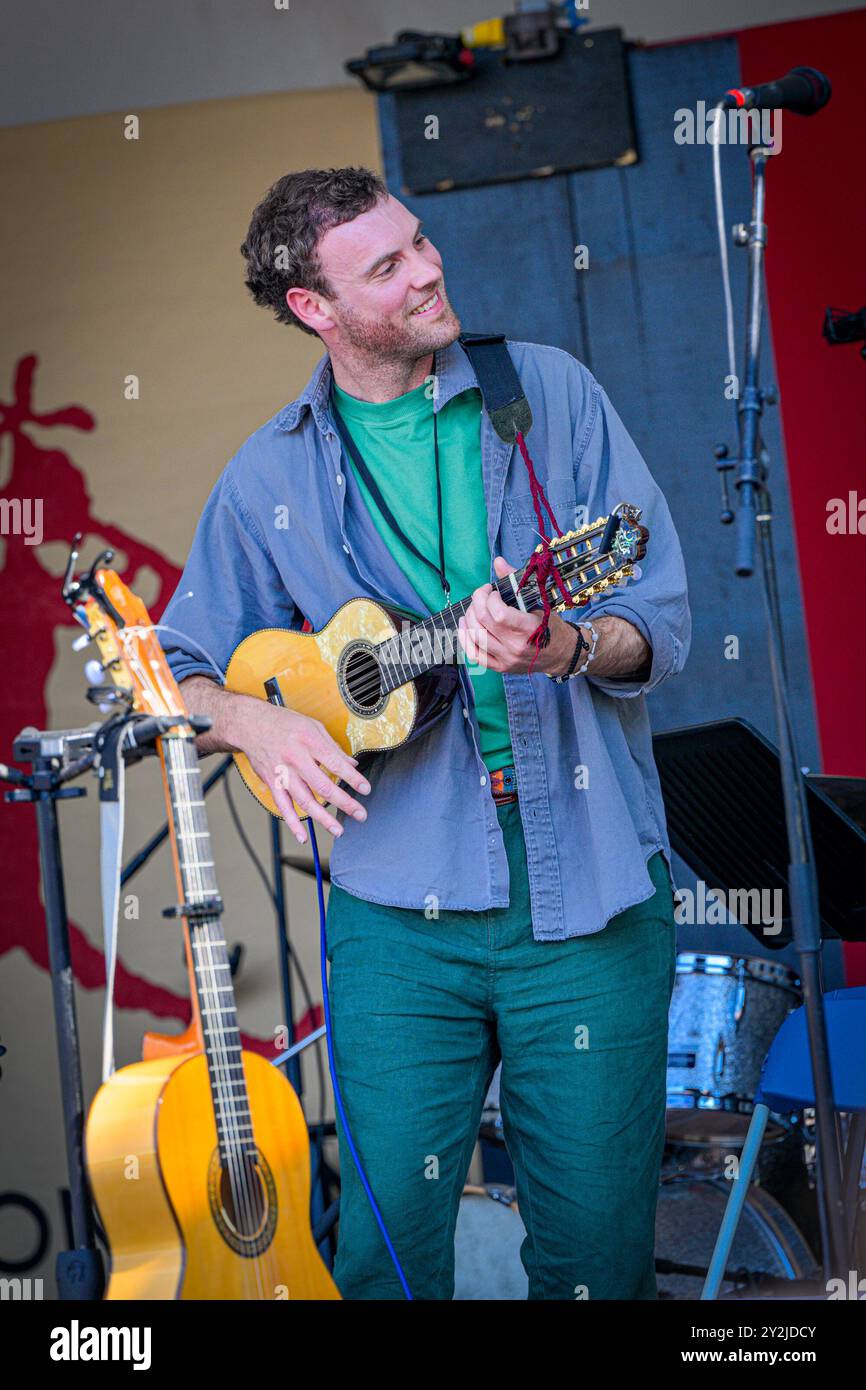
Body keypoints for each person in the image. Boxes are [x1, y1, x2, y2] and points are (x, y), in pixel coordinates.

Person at [162, 166, 691, 1300]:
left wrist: (567, 646)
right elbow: (176, 668)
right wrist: (250, 717)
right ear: (314, 308)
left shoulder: (541, 391)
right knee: (383, 1256)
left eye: (421, 242)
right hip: (395, 915)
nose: (425, 270)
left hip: (587, 891)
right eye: (385, 266)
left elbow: (657, 621)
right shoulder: (271, 470)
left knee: (595, 1266)